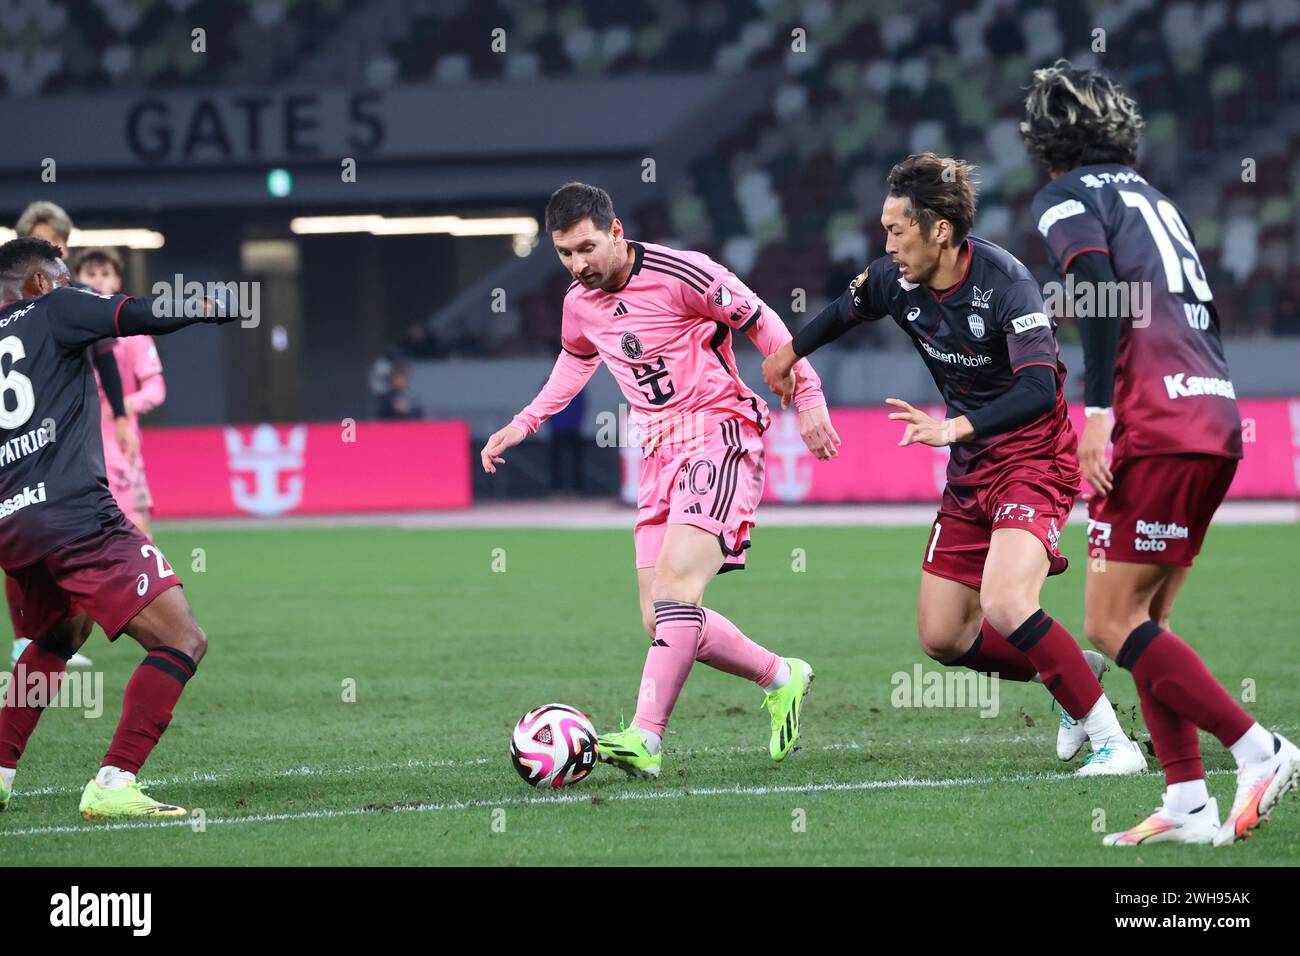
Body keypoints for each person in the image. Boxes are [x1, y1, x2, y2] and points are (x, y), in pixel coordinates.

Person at [763, 153, 1146, 777]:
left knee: (1005, 602)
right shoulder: (897, 279)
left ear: (939, 229)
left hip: (1033, 459)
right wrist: (787, 354)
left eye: (896, 230)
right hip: (971, 469)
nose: (886, 244)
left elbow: (1037, 388)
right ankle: (1074, 670)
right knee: (943, 636)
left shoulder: (1007, 285)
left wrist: (954, 428)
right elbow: (844, 309)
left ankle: (1114, 745)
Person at [1023, 60, 1298, 846]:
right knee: (1148, 621)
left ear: (1046, 140)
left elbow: (1100, 290)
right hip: (1214, 415)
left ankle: (1259, 748)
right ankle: (1186, 798)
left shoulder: (1066, 197)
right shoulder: (1155, 200)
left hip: (1151, 420)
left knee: (1109, 623)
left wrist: (1100, 414)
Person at [480, 182, 840, 776]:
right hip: (656, 451)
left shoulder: (684, 273)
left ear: (616, 232)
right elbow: (575, 361)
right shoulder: (579, 302)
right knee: (662, 619)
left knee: (676, 591)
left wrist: (810, 397)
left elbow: (763, 322)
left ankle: (645, 737)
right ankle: (782, 675)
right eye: (565, 253)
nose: (578, 265)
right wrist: (526, 422)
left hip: (719, 431)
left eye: (587, 248)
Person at [0, 237, 233, 818]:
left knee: (57, 638)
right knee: (182, 637)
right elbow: (141, 313)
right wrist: (216, 302)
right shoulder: (56, 305)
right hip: (78, 518)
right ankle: (113, 781)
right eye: (61, 275)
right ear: (36, 283)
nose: (75, 284)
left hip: (14, 527)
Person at [7, 202, 129, 669]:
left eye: (61, 244)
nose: (56, 251)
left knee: (48, 522)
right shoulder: (12, 299)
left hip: (64, 430)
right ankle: (27, 637)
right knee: (19, 522)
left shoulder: (69, 297)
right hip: (18, 433)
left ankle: (58, 630)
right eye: (44, 242)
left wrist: (120, 414)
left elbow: (106, 356)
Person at [74, 247, 167, 537]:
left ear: (117, 281)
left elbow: (156, 388)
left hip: (121, 447)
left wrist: (123, 406)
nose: (98, 281)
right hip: (77, 450)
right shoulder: (69, 330)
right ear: (77, 281)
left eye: (105, 274)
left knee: (137, 533)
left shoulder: (134, 333)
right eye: (91, 274)